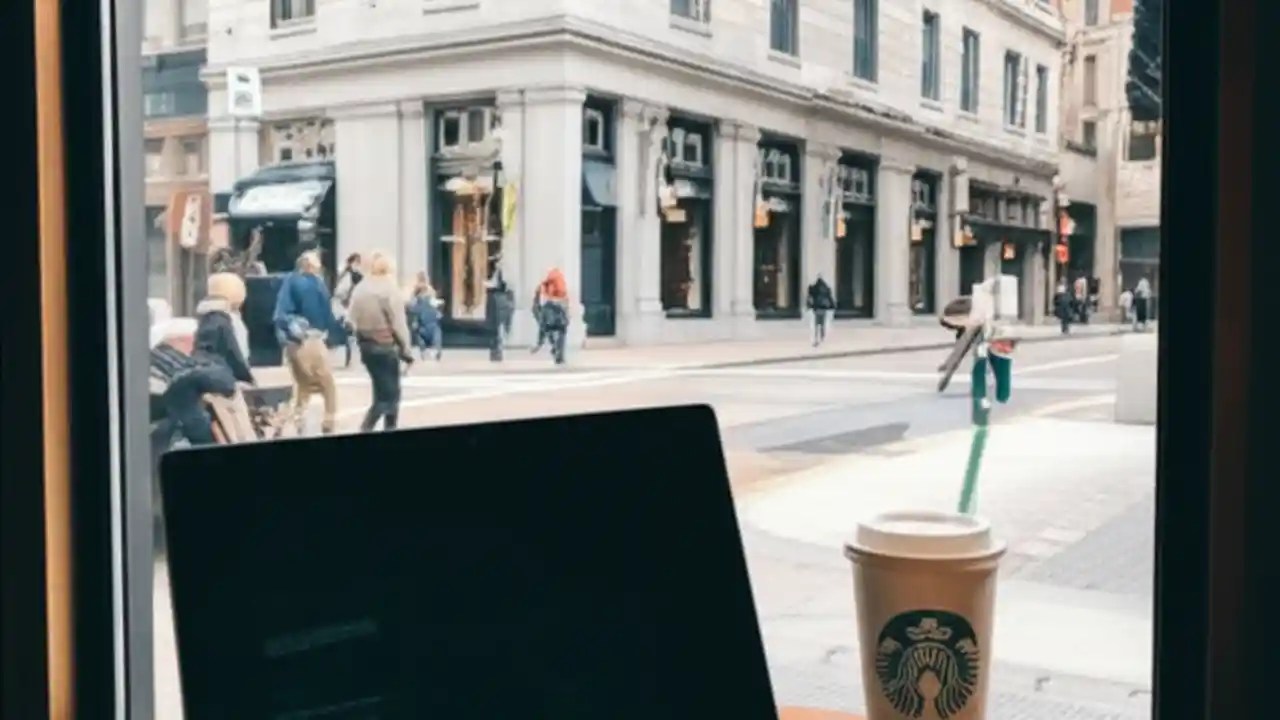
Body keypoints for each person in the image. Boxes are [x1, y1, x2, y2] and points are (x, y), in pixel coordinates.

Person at [161, 273, 256, 446]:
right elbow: (233, 351)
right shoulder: (226, 321)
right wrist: (247, 376)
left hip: (200, 373)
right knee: (234, 417)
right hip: (217, 374)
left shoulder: (204, 320)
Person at [274, 250, 339, 434]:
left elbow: (280, 314)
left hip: (293, 343)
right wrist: (337, 334)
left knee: (302, 385)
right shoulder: (316, 284)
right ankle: (329, 421)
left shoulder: (289, 282)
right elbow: (326, 315)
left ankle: (289, 420)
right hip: (312, 340)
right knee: (327, 384)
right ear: (311, 266)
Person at [348, 252, 414, 431]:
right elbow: (398, 324)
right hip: (385, 346)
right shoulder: (389, 289)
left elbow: (350, 320)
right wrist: (406, 350)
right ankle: (371, 428)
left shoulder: (360, 288)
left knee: (380, 392)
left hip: (366, 347)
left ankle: (378, 427)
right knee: (391, 396)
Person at [333, 253, 364, 368]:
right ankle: (353, 361)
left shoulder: (354, 275)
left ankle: (352, 360)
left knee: (352, 335)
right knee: (352, 334)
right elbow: (340, 292)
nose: (358, 265)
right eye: (356, 262)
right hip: (348, 308)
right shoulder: (348, 276)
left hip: (352, 307)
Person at [535, 267, 570, 365]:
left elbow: (542, 299)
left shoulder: (546, 283)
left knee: (547, 328)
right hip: (560, 306)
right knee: (561, 330)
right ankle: (560, 354)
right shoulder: (559, 280)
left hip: (550, 306)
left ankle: (554, 348)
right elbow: (565, 296)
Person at [407, 272, 443, 361]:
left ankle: (429, 350)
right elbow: (413, 305)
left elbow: (412, 306)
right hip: (427, 319)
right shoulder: (422, 292)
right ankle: (433, 350)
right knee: (432, 333)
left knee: (425, 334)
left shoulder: (425, 291)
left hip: (425, 319)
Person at [485, 268, 515, 362]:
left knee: (497, 331)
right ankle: (497, 352)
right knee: (500, 331)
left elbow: (493, 284)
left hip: (499, 305)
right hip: (503, 305)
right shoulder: (507, 290)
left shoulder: (500, 274)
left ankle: (496, 353)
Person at [805, 273, 835, 347]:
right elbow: (830, 297)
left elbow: (810, 295)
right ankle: (822, 337)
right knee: (822, 324)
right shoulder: (826, 288)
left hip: (816, 308)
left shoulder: (814, 288)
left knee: (816, 324)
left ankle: (816, 338)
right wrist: (832, 306)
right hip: (823, 308)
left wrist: (809, 306)